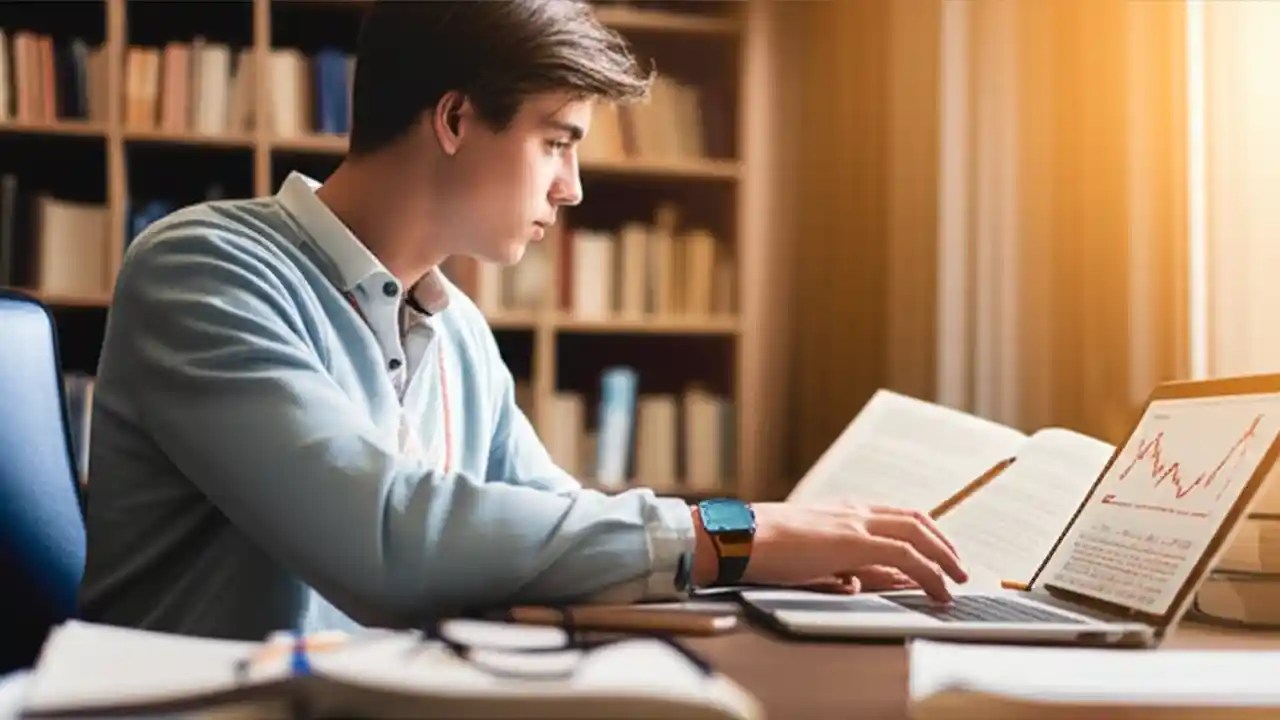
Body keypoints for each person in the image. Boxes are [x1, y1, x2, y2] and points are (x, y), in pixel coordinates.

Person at [78, 0, 967, 641]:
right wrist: (739, 534)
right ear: (456, 118)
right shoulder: (203, 269)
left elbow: (552, 520)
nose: (571, 188)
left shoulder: (455, 329)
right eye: (557, 141)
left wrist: (779, 550)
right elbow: (381, 536)